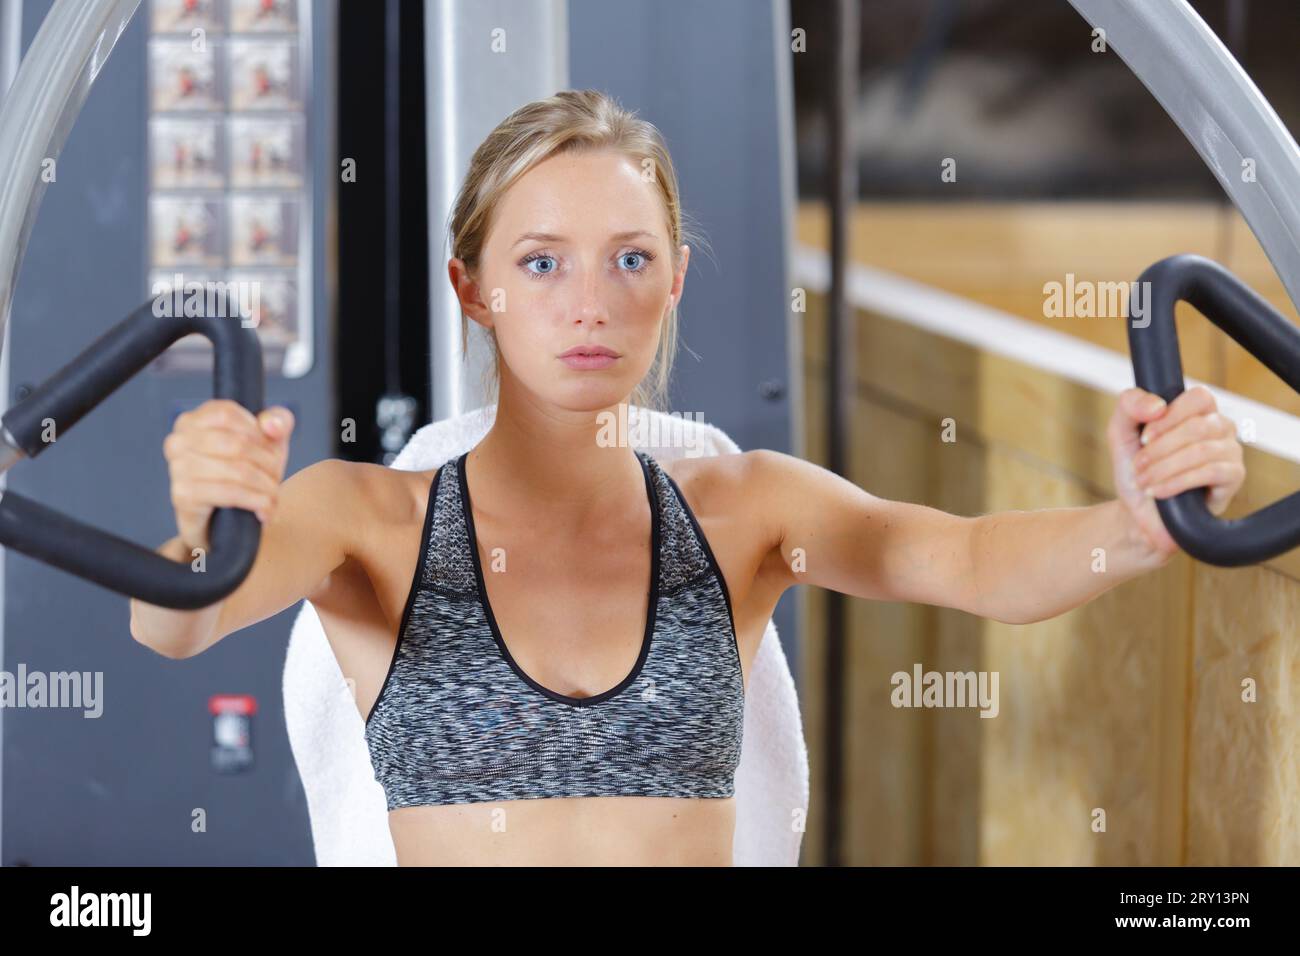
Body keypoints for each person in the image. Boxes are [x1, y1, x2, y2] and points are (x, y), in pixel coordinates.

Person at [128, 89, 1246, 866]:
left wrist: (1135, 523)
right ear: (474, 290)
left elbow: (960, 557)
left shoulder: (742, 507)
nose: (590, 301)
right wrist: (198, 522)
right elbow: (176, 623)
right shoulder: (364, 516)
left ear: (673, 281)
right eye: (540, 261)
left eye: (630, 258)